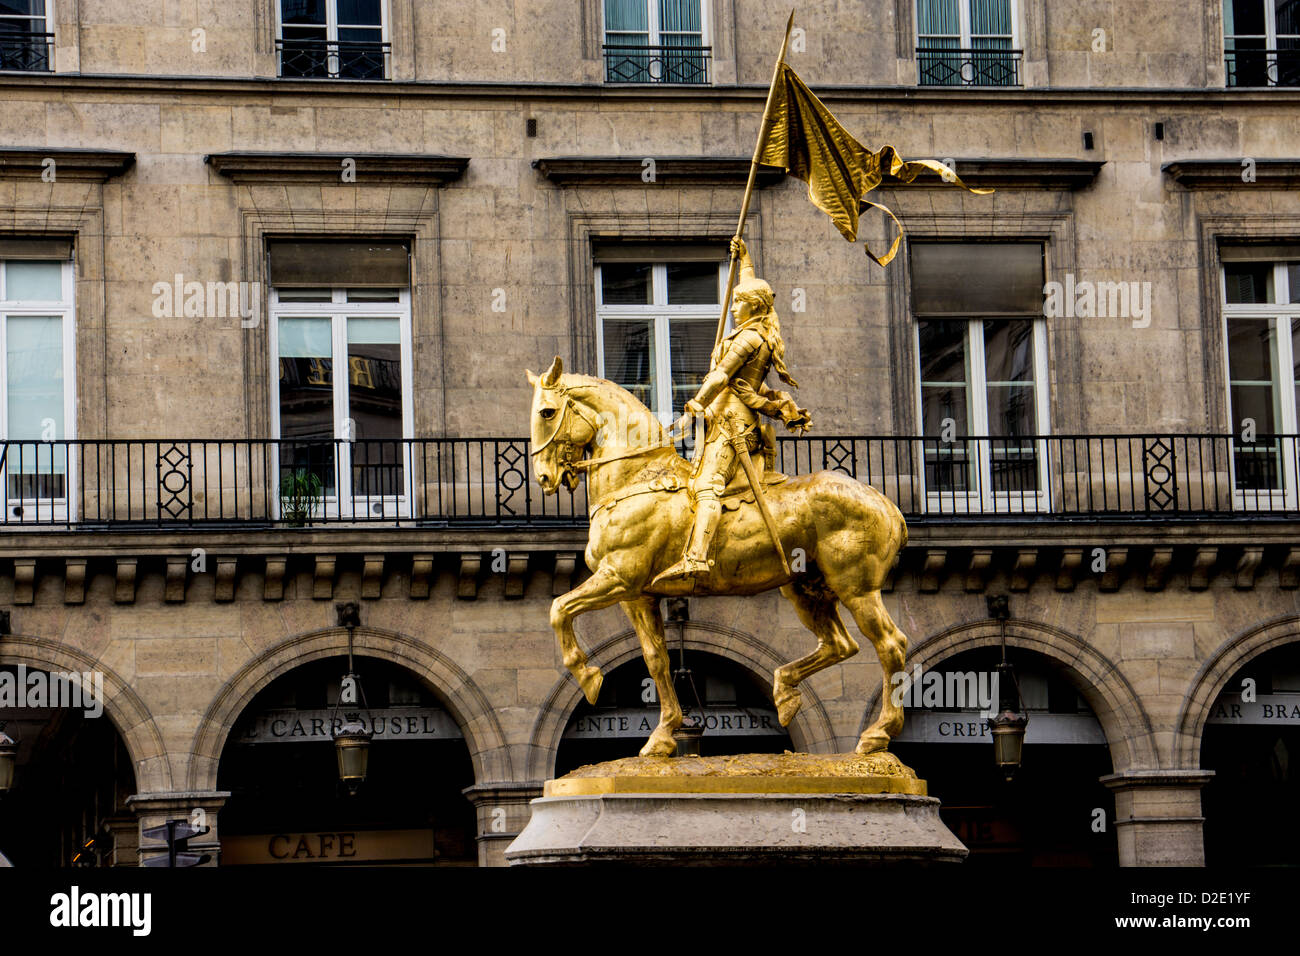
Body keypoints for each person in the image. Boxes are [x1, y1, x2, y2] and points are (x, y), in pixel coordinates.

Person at [652, 237, 811, 587]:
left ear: (754, 307)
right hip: (725, 417)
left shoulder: (749, 339)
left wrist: (696, 403)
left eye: (740, 302)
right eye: (735, 301)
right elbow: (749, 284)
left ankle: (696, 558)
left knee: (708, 486)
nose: (734, 306)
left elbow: (722, 374)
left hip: (732, 423)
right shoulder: (754, 331)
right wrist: (745, 258)